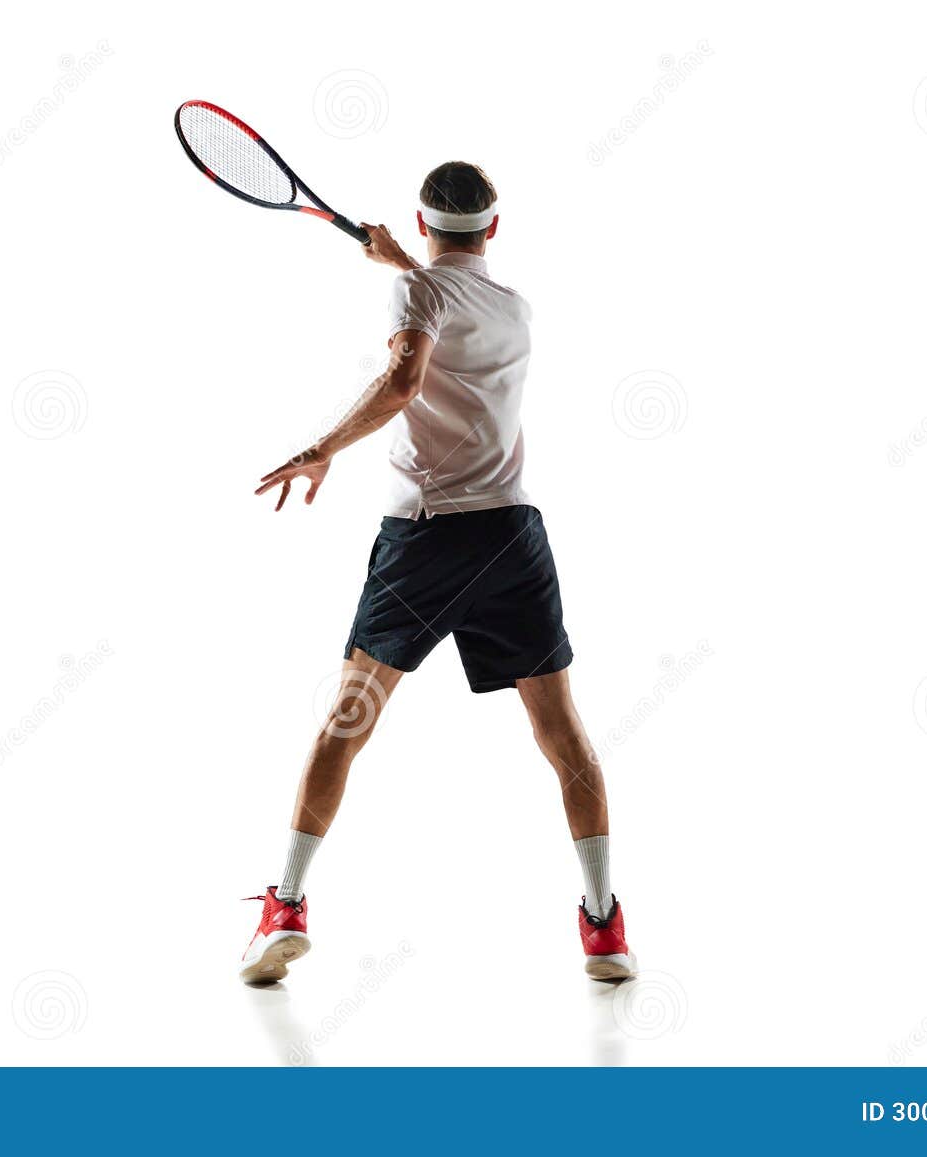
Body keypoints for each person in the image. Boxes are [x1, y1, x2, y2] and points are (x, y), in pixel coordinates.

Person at [240, 161, 634, 984]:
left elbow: (405, 376)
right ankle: (604, 925)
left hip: (424, 537)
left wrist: (321, 449)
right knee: (563, 735)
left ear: (422, 227)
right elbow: (451, 302)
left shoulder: (416, 294)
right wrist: (411, 271)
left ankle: (286, 903)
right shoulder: (514, 308)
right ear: (495, 228)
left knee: (346, 722)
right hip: (512, 538)